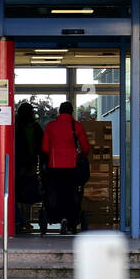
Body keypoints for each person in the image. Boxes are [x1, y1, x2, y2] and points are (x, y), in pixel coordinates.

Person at [42, 100, 89, 234]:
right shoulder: (77, 126)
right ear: (72, 112)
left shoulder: (51, 126)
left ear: (59, 112)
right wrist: (82, 155)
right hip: (72, 166)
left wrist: (54, 154)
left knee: (56, 190)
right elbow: (85, 148)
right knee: (72, 191)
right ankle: (71, 219)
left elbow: (45, 148)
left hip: (55, 166)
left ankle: (57, 215)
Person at [13, 102, 45, 234]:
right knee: (27, 194)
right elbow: (41, 148)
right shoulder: (35, 127)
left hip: (15, 166)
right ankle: (26, 222)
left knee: (16, 194)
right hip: (30, 165)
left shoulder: (14, 126)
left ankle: (17, 221)